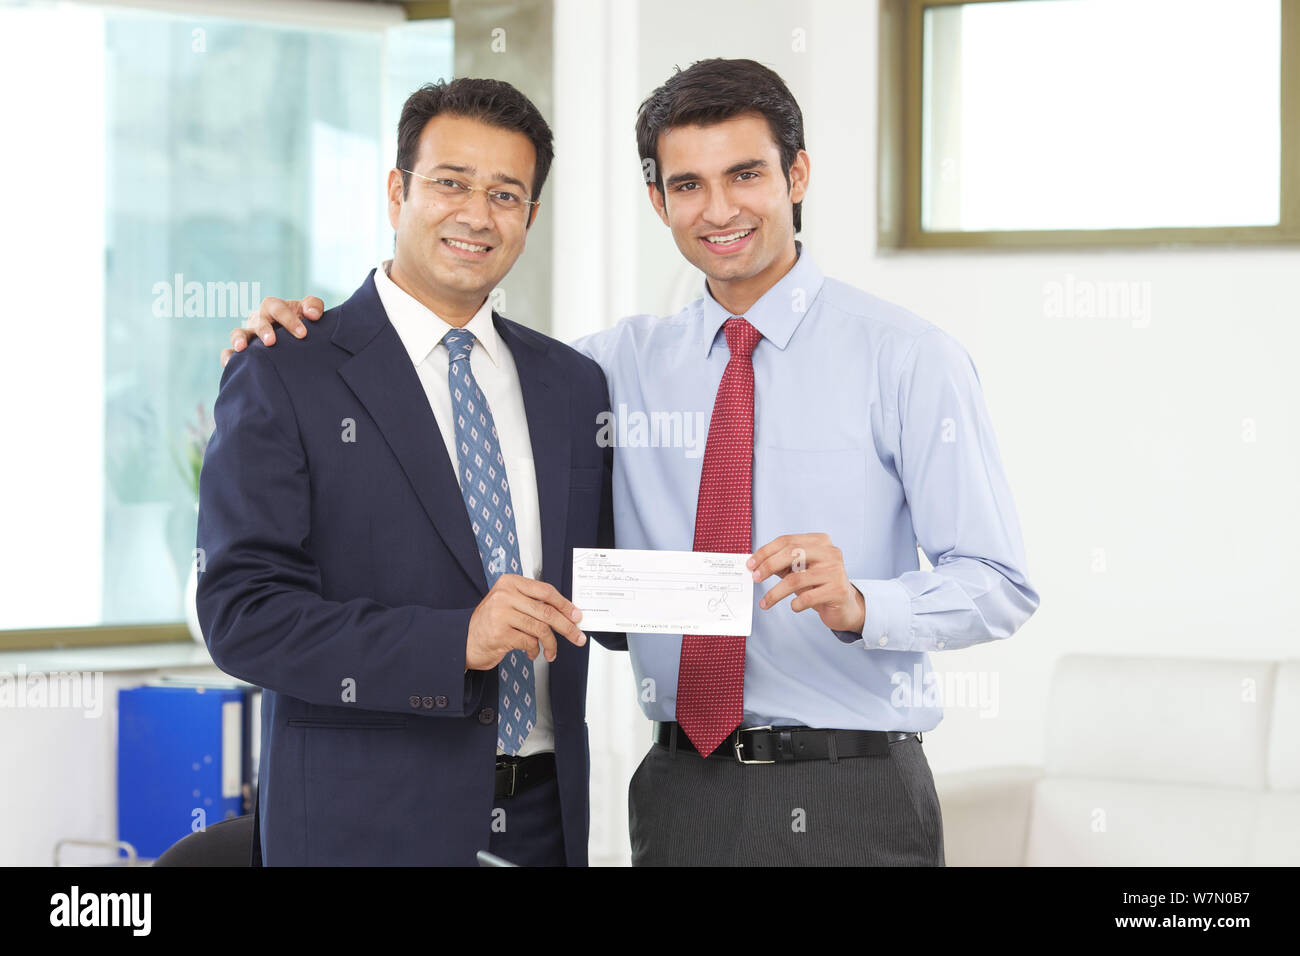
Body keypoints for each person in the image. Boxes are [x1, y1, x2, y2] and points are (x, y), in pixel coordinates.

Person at [222, 58, 1039, 866]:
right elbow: (448, 429)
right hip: (681, 790)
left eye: (746, 174)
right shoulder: (601, 371)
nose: (719, 209)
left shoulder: (907, 358)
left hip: (850, 787)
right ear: (659, 199)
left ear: (797, 174)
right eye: (687, 184)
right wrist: (295, 330)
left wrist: (867, 601)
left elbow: (999, 583)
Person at [198, 77, 620, 867]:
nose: (475, 214)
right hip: (362, 823)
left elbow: (600, 587)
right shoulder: (287, 370)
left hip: (542, 819)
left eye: (505, 194)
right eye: (450, 183)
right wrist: (458, 639)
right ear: (397, 191)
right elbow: (243, 615)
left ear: (529, 218)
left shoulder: (571, 385)